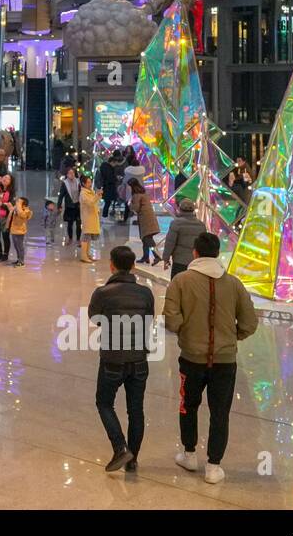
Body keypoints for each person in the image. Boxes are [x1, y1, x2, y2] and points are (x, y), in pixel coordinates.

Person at [162, 232, 258, 485]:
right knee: (220, 412)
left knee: (188, 405)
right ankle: (214, 466)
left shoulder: (180, 281)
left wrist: (187, 330)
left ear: (194, 252)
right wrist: (232, 336)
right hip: (225, 361)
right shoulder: (235, 284)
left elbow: (171, 320)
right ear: (217, 253)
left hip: (191, 358)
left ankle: (190, 453)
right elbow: (250, 322)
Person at [89, 246, 155, 472]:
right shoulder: (146, 293)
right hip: (139, 358)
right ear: (133, 266)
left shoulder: (103, 293)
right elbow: (149, 319)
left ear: (112, 265)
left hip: (112, 359)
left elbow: (94, 318)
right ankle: (133, 460)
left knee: (104, 402)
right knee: (135, 410)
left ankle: (120, 448)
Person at [162, 197, 203, 278]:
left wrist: (166, 259)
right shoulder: (201, 225)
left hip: (179, 261)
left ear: (179, 209)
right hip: (195, 262)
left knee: (177, 286)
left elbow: (170, 243)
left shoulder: (176, 223)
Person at [129, 180, 161, 265]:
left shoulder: (136, 196)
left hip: (145, 220)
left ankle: (157, 256)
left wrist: (129, 204)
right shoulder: (143, 194)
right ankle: (145, 257)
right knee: (145, 239)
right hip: (150, 219)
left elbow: (136, 208)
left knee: (148, 240)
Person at [79, 173, 101, 263]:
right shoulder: (83, 193)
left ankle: (87, 254)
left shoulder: (89, 192)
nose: (90, 184)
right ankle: (83, 255)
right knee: (85, 237)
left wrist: (97, 196)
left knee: (88, 238)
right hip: (87, 218)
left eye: (90, 182)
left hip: (92, 216)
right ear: (84, 184)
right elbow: (90, 202)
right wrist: (97, 196)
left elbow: (94, 202)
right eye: (88, 182)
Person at [59, 166, 83, 246]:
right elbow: (61, 195)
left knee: (79, 224)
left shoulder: (78, 182)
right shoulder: (65, 183)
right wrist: (59, 205)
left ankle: (78, 239)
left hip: (78, 206)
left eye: (72, 173)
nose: (71, 174)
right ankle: (70, 238)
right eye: (69, 173)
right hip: (69, 206)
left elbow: (82, 193)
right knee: (70, 224)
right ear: (67, 174)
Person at [9, 197, 33, 267]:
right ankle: (18, 259)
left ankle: (21, 261)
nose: (17, 203)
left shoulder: (26, 210)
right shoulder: (17, 209)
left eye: (19, 202)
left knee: (20, 246)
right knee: (16, 246)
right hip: (14, 230)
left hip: (20, 231)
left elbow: (22, 215)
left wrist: (18, 205)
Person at [96, 153, 120, 220]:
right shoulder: (108, 168)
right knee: (107, 202)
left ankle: (105, 215)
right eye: (115, 163)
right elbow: (110, 178)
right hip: (108, 188)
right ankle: (104, 216)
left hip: (107, 188)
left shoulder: (104, 166)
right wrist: (116, 178)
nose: (115, 165)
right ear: (112, 162)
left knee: (108, 202)